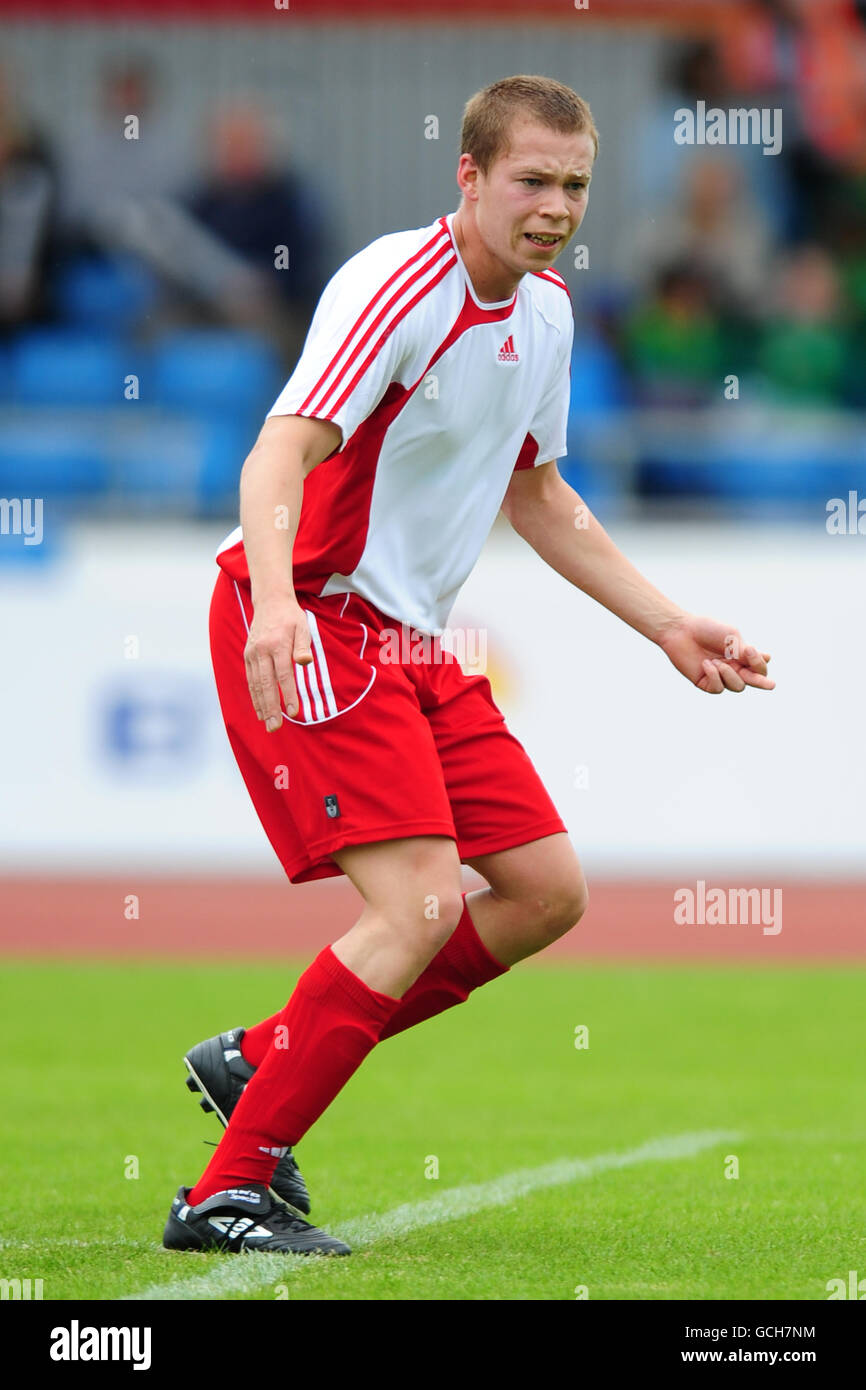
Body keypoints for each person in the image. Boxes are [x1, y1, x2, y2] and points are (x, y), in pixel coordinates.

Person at [162, 75, 775, 1257]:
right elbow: (277, 451)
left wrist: (666, 623)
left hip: (406, 640)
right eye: (531, 181)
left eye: (574, 184)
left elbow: (536, 494)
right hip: (318, 614)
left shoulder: (544, 312)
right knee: (422, 902)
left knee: (546, 888)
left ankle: (259, 1057)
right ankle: (221, 1194)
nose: (554, 206)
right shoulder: (396, 285)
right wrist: (278, 604)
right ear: (471, 177)